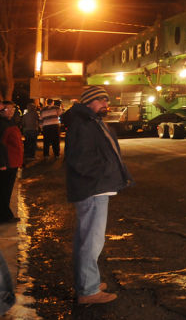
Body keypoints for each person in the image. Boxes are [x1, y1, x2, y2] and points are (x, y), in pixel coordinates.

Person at [62, 87, 133, 305]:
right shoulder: (83, 123)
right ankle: (88, 290)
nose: (106, 103)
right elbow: (80, 160)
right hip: (93, 188)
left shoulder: (90, 121)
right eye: (101, 100)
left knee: (86, 239)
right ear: (89, 101)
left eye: (106, 100)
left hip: (95, 187)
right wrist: (104, 174)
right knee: (91, 241)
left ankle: (86, 281)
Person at [0, 102, 22, 225]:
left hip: (11, 162)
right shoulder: (0, 125)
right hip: (6, 163)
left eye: (12, 109)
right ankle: (2, 217)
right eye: (8, 109)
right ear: (1, 112)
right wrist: (1, 163)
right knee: (2, 191)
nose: (11, 111)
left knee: (5, 191)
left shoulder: (9, 123)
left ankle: (4, 215)